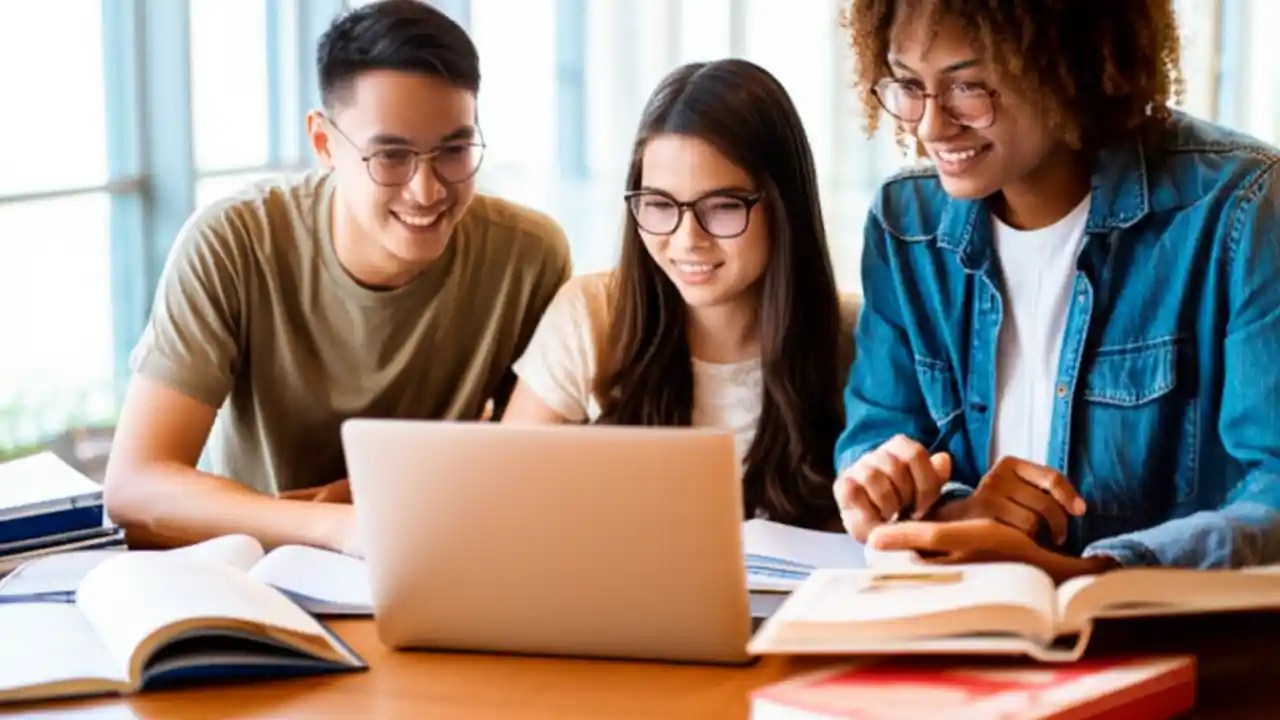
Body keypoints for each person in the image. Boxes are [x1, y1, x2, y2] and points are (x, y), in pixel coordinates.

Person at [104, 0, 570, 555]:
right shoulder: (234, 241)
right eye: (391, 157)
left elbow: (535, 469)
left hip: (437, 554)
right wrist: (339, 528)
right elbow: (135, 485)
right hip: (254, 570)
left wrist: (369, 503)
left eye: (454, 150)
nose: (427, 191)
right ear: (324, 143)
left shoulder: (528, 255)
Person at [834, 0, 1280, 579]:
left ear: (1072, 65)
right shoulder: (905, 223)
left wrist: (1079, 570)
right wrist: (937, 505)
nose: (930, 126)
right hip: (962, 627)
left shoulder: (1239, 208)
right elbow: (876, 436)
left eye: (969, 86)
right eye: (908, 85)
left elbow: (1272, 490)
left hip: (1164, 640)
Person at [503, 59, 857, 528]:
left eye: (723, 207)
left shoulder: (851, 338)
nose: (687, 239)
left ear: (782, 206)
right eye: (659, 205)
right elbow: (503, 501)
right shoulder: (592, 317)